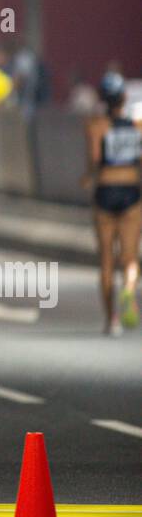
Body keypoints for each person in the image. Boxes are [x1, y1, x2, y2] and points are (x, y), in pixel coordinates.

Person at [83, 72, 142, 335]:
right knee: (130, 258)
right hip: (130, 191)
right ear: (124, 98)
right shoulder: (137, 126)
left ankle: (111, 320)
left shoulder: (96, 126)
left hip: (105, 191)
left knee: (106, 259)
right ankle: (129, 288)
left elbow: (95, 158)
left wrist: (88, 177)